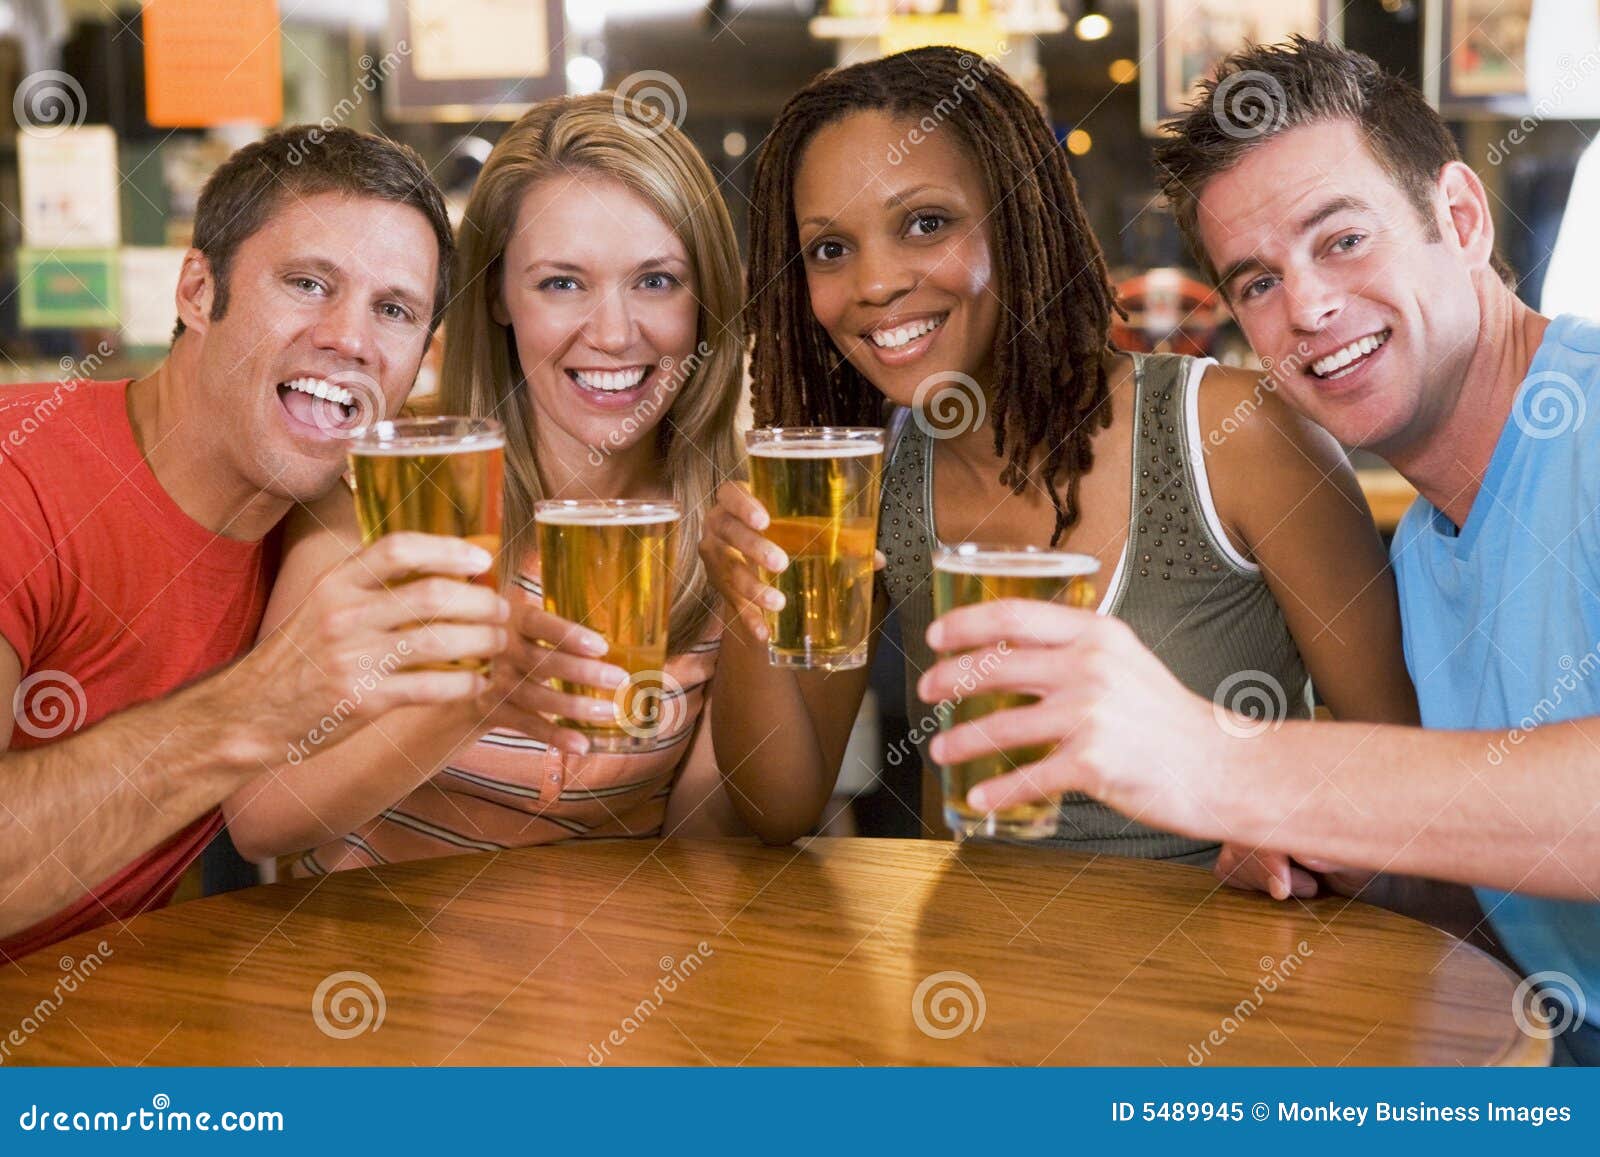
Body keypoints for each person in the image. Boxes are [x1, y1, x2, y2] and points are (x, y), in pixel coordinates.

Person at [917, 37, 1599, 1062]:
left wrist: (1243, 766)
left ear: (1459, 218)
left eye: (1341, 241)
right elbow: (1499, 898)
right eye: (1257, 282)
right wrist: (1347, 852)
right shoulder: (1422, 541)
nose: (1309, 311)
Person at [699, 45, 1417, 877]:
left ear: (1019, 217)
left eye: (925, 223)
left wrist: (1297, 829)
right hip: (975, 980)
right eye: (829, 249)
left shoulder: (1237, 433)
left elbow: (1409, 784)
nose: (875, 283)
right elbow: (778, 806)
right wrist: (746, 600)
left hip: (1218, 975)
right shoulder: (879, 480)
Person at [0, 127, 508, 959]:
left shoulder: (339, 524)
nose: (349, 338)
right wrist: (255, 707)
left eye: (393, 310)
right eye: (308, 283)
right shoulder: (22, 479)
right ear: (197, 291)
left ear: (422, 360)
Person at [223, 93, 748, 871]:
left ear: (705, 300)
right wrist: (474, 703)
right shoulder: (397, 480)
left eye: (657, 281)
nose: (611, 333)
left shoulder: (723, 518)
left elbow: (703, 840)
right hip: (373, 972)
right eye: (561, 283)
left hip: (607, 967)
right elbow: (260, 818)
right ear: (499, 295)